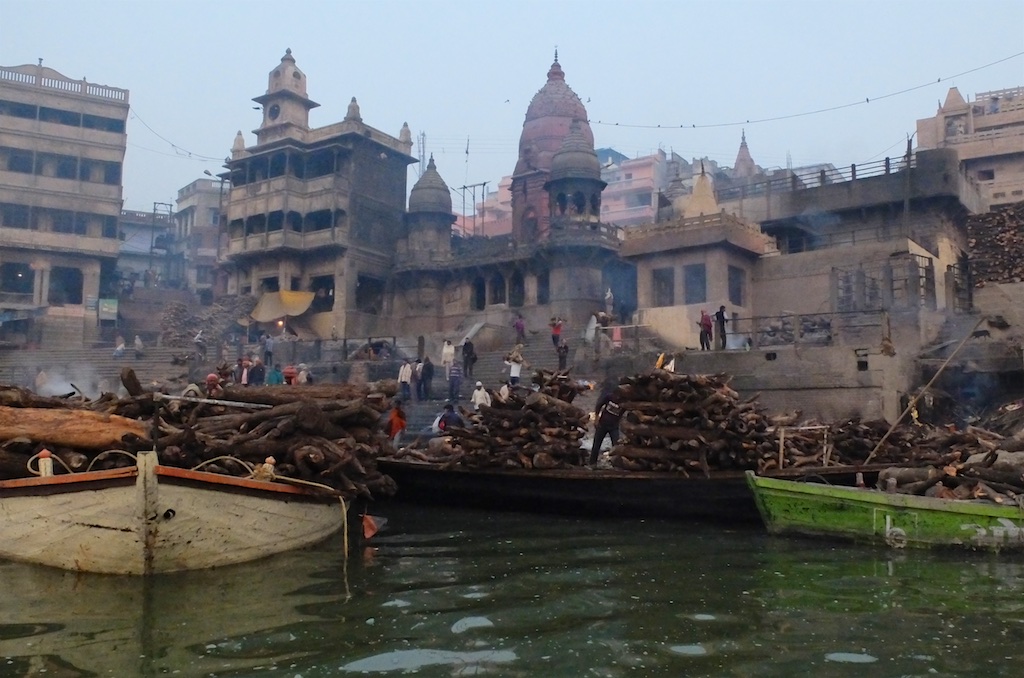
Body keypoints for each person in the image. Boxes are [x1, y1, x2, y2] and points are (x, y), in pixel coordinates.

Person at [590, 380, 624, 467]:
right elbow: (598, 406)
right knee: (596, 444)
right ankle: (592, 463)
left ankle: (616, 464)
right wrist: (596, 418)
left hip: (614, 426)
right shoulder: (609, 397)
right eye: (616, 395)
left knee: (616, 445)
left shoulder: (624, 403)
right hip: (602, 424)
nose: (617, 398)